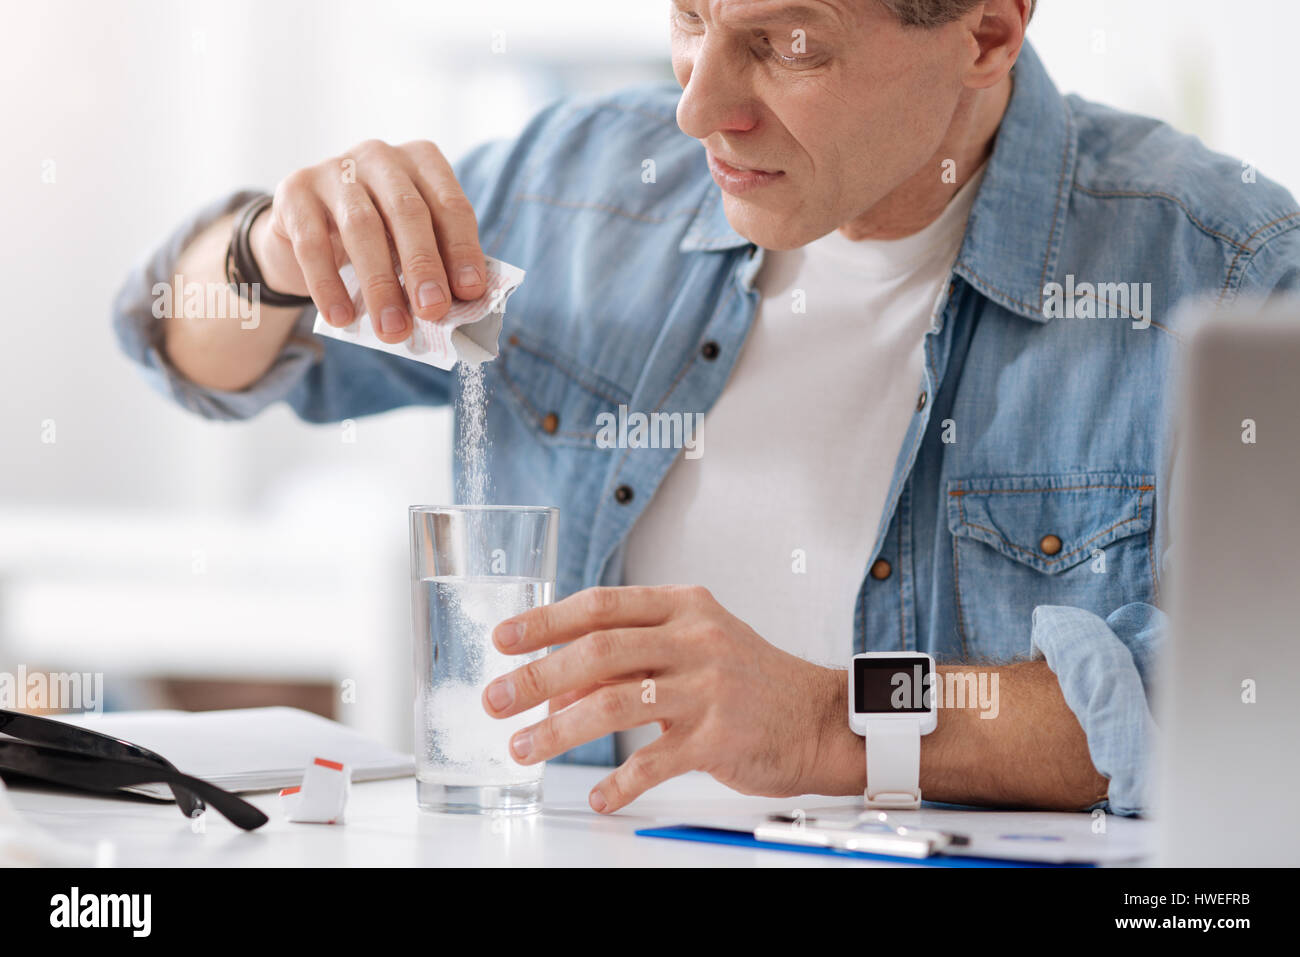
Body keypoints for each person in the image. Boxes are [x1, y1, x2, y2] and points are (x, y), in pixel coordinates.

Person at [113, 0, 1300, 816]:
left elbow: (1261, 706)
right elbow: (182, 349)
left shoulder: (1227, 272)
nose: (697, 109)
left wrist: (842, 722)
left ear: (987, 29)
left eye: (787, 43)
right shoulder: (576, 188)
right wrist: (271, 251)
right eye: (688, 19)